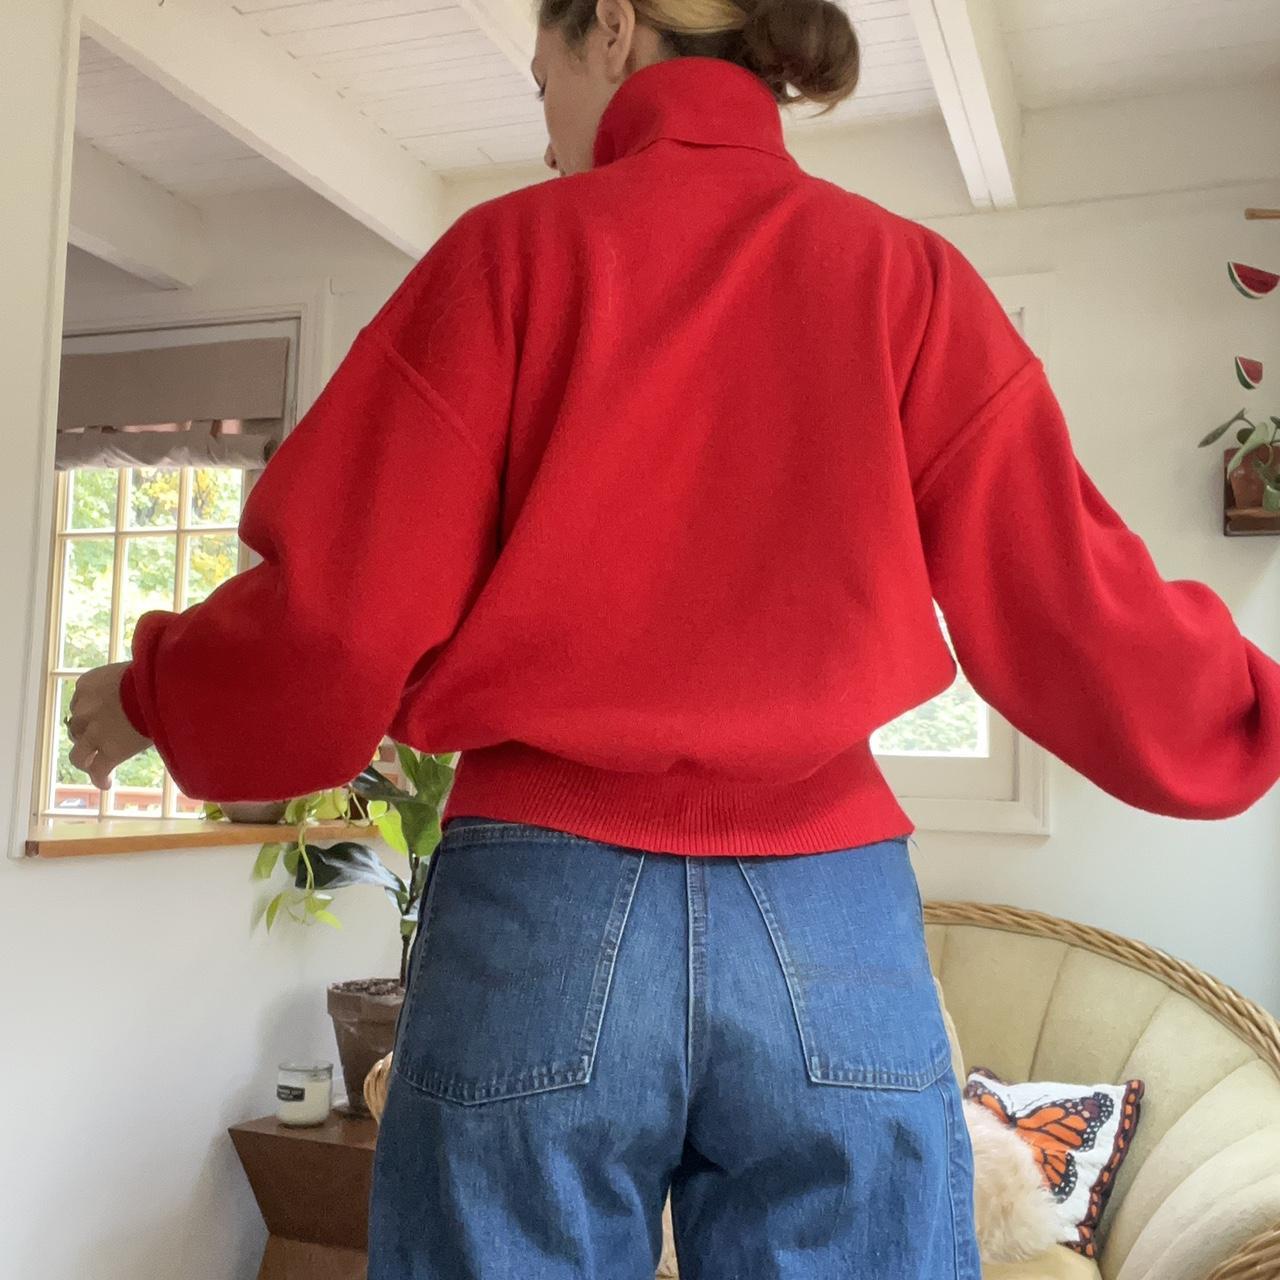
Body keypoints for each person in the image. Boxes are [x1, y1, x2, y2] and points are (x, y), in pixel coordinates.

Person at [68, 0, 1280, 1274]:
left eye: (541, 88)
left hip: (540, 905)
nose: (546, 144)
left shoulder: (506, 260)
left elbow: (332, 621)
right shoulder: (904, 278)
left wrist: (152, 692)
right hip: (833, 925)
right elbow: (1075, 601)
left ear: (610, 27)